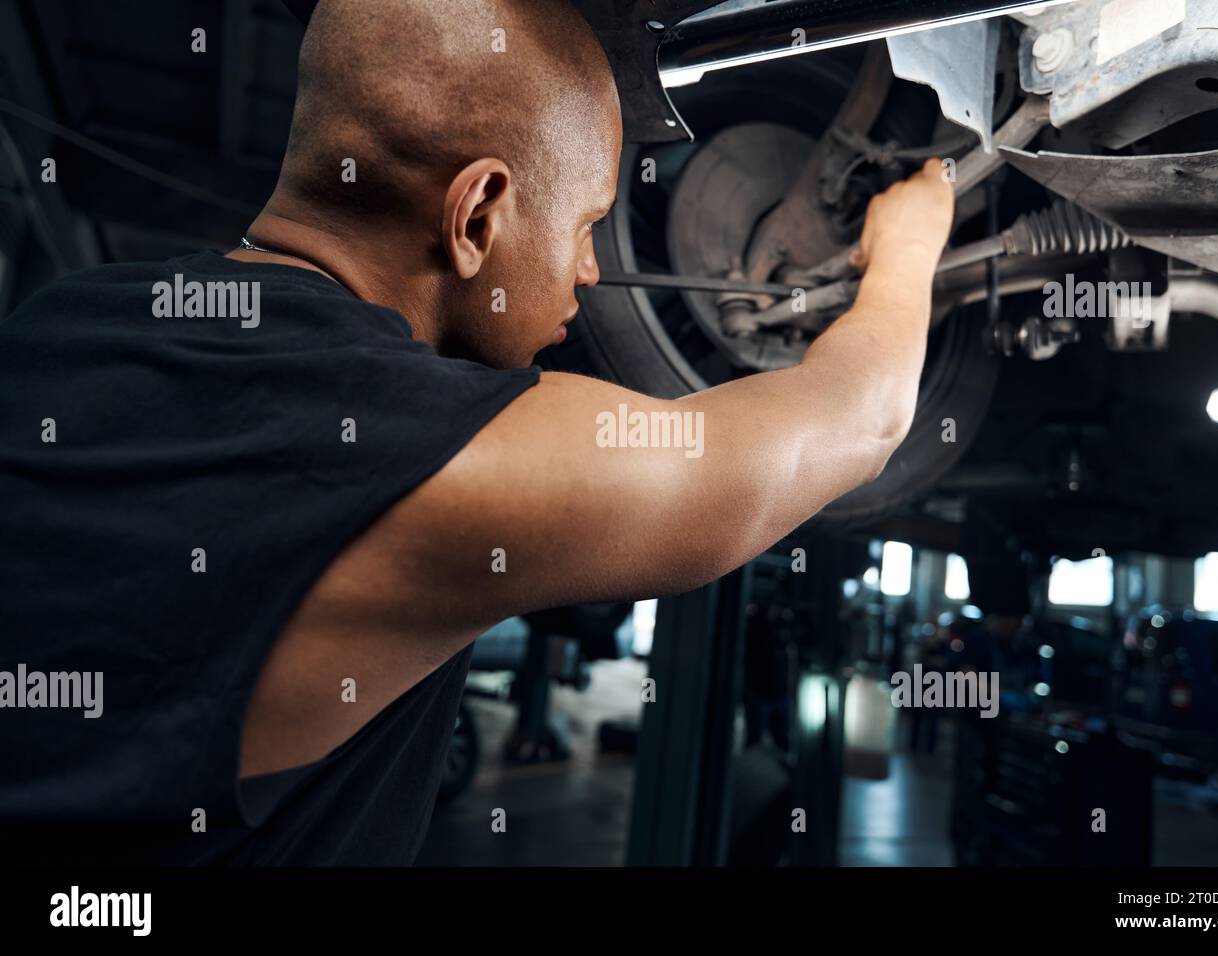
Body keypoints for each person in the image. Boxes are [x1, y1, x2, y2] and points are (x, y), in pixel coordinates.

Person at [0, 0, 954, 864]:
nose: (588, 271)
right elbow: (860, 419)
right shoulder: (409, 455)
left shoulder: (59, 322)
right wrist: (910, 245)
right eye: (585, 223)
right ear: (476, 214)